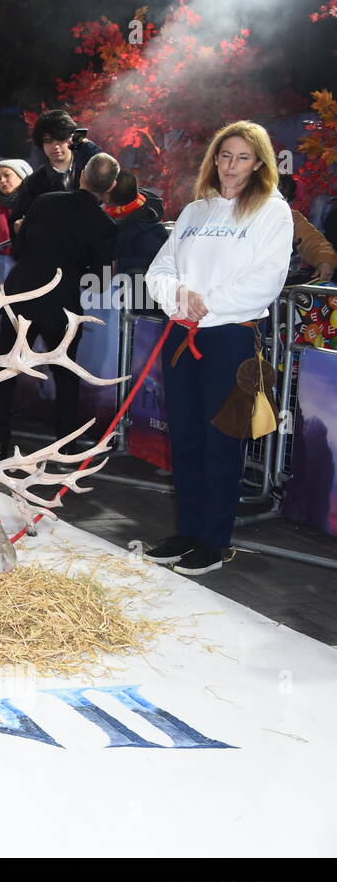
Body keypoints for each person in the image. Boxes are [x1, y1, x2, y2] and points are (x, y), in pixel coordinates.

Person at [143, 121, 292, 575]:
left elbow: (267, 280)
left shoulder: (271, 211)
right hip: (181, 334)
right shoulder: (194, 211)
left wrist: (205, 306)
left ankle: (214, 541)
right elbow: (159, 268)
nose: (231, 165)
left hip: (229, 335)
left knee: (220, 442)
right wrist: (176, 296)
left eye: (242, 157)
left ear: (259, 163)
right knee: (185, 439)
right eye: (225, 155)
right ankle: (188, 532)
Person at [0, 153, 120, 461]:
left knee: (4, 370)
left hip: (19, 297)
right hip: (61, 306)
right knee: (65, 376)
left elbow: (19, 251)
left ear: (82, 175)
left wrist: (24, 234)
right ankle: (66, 447)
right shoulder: (105, 226)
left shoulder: (45, 201)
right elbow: (98, 282)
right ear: (110, 186)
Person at [10, 110, 105, 232]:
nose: (55, 146)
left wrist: (90, 148)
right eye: (48, 141)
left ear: (72, 138)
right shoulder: (33, 183)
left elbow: (112, 180)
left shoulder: (91, 173)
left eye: (60, 139)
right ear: (41, 143)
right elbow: (15, 222)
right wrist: (18, 227)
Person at [105, 169, 168, 276]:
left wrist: (119, 264)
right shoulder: (143, 204)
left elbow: (156, 259)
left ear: (108, 198)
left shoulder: (149, 230)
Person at [276, 174, 336, 284]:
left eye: (285, 198)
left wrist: (325, 260)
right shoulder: (242, 214)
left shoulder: (293, 218)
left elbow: (313, 241)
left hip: (283, 282)